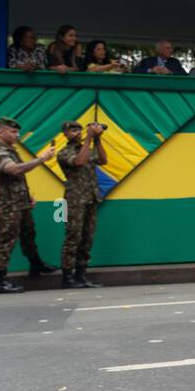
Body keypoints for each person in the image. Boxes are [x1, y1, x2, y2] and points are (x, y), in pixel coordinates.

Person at [0, 117, 58, 293]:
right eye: (13, 131)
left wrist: (27, 197)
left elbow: (16, 179)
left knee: (28, 234)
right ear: (1, 132)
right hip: (8, 204)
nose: (17, 134)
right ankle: (0, 280)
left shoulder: (12, 151)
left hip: (20, 202)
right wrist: (41, 159)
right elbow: (15, 170)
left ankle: (36, 265)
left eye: (17, 131)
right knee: (6, 239)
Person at [57, 119, 107, 287]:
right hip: (74, 200)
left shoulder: (89, 148)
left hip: (91, 198)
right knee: (73, 237)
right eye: (72, 131)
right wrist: (88, 139)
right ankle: (67, 277)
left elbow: (103, 160)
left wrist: (97, 139)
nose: (77, 133)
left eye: (79, 130)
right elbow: (79, 162)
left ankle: (81, 274)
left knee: (87, 238)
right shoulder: (64, 153)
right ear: (65, 134)